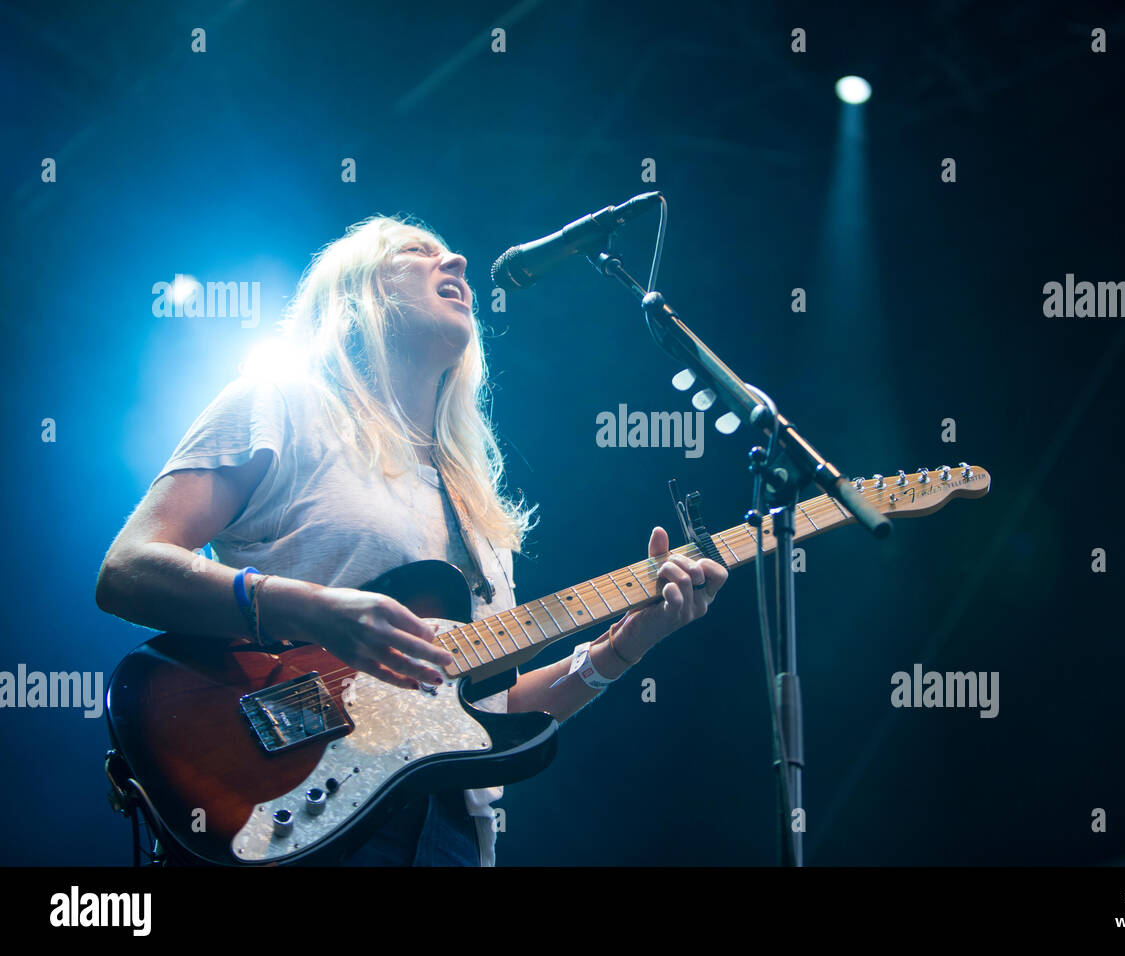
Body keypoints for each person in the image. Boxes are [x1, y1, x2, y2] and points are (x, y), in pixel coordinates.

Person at [95, 214, 728, 866]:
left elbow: (488, 709)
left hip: (450, 837)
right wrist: (318, 609)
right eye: (418, 253)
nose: (454, 261)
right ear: (354, 294)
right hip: (295, 803)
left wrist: (625, 645)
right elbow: (127, 568)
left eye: (453, 255)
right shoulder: (279, 403)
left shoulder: (475, 506)